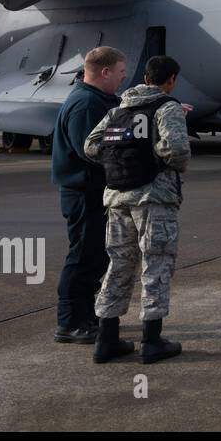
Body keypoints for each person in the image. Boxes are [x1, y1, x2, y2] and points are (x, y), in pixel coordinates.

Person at [85, 55, 190, 364]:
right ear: (171, 80)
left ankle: (107, 339)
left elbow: (91, 146)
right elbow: (178, 151)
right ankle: (152, 340)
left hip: (118, 198)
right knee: (155, 264)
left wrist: (121, 160)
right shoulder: (167, 107)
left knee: (118, 264)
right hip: (154, 199)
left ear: (145, 76)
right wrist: (157, 158)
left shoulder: (119, 109)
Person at [50, 45, 128, 345]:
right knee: (82, 257)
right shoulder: (85, 104)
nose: (123, 78)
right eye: (121, 73)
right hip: (83, 193)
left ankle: (85, 315)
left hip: (94, 192)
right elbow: (92, 150)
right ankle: (69, 322)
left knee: (95, 258)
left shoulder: (100, 100)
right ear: (105, 72)